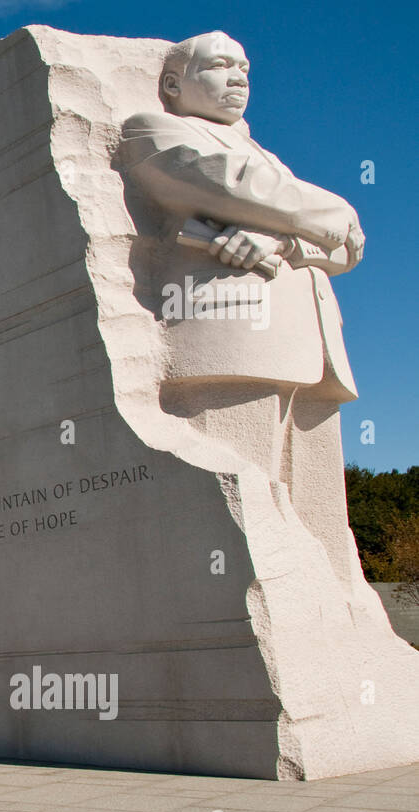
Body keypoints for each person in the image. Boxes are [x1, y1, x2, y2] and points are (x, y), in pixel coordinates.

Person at [119, 31, 366, 585]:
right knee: (239, 516)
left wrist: (281, 240)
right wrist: (332, 210)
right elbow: (238, 187)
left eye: (246, 69)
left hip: (313, 347)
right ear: (173, 83)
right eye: (221, 66)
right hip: (233, 340)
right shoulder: (155, 130)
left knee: (320, 520)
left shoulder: (268, 158)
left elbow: (350, 245)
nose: (239, 78)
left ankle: (327, 625)